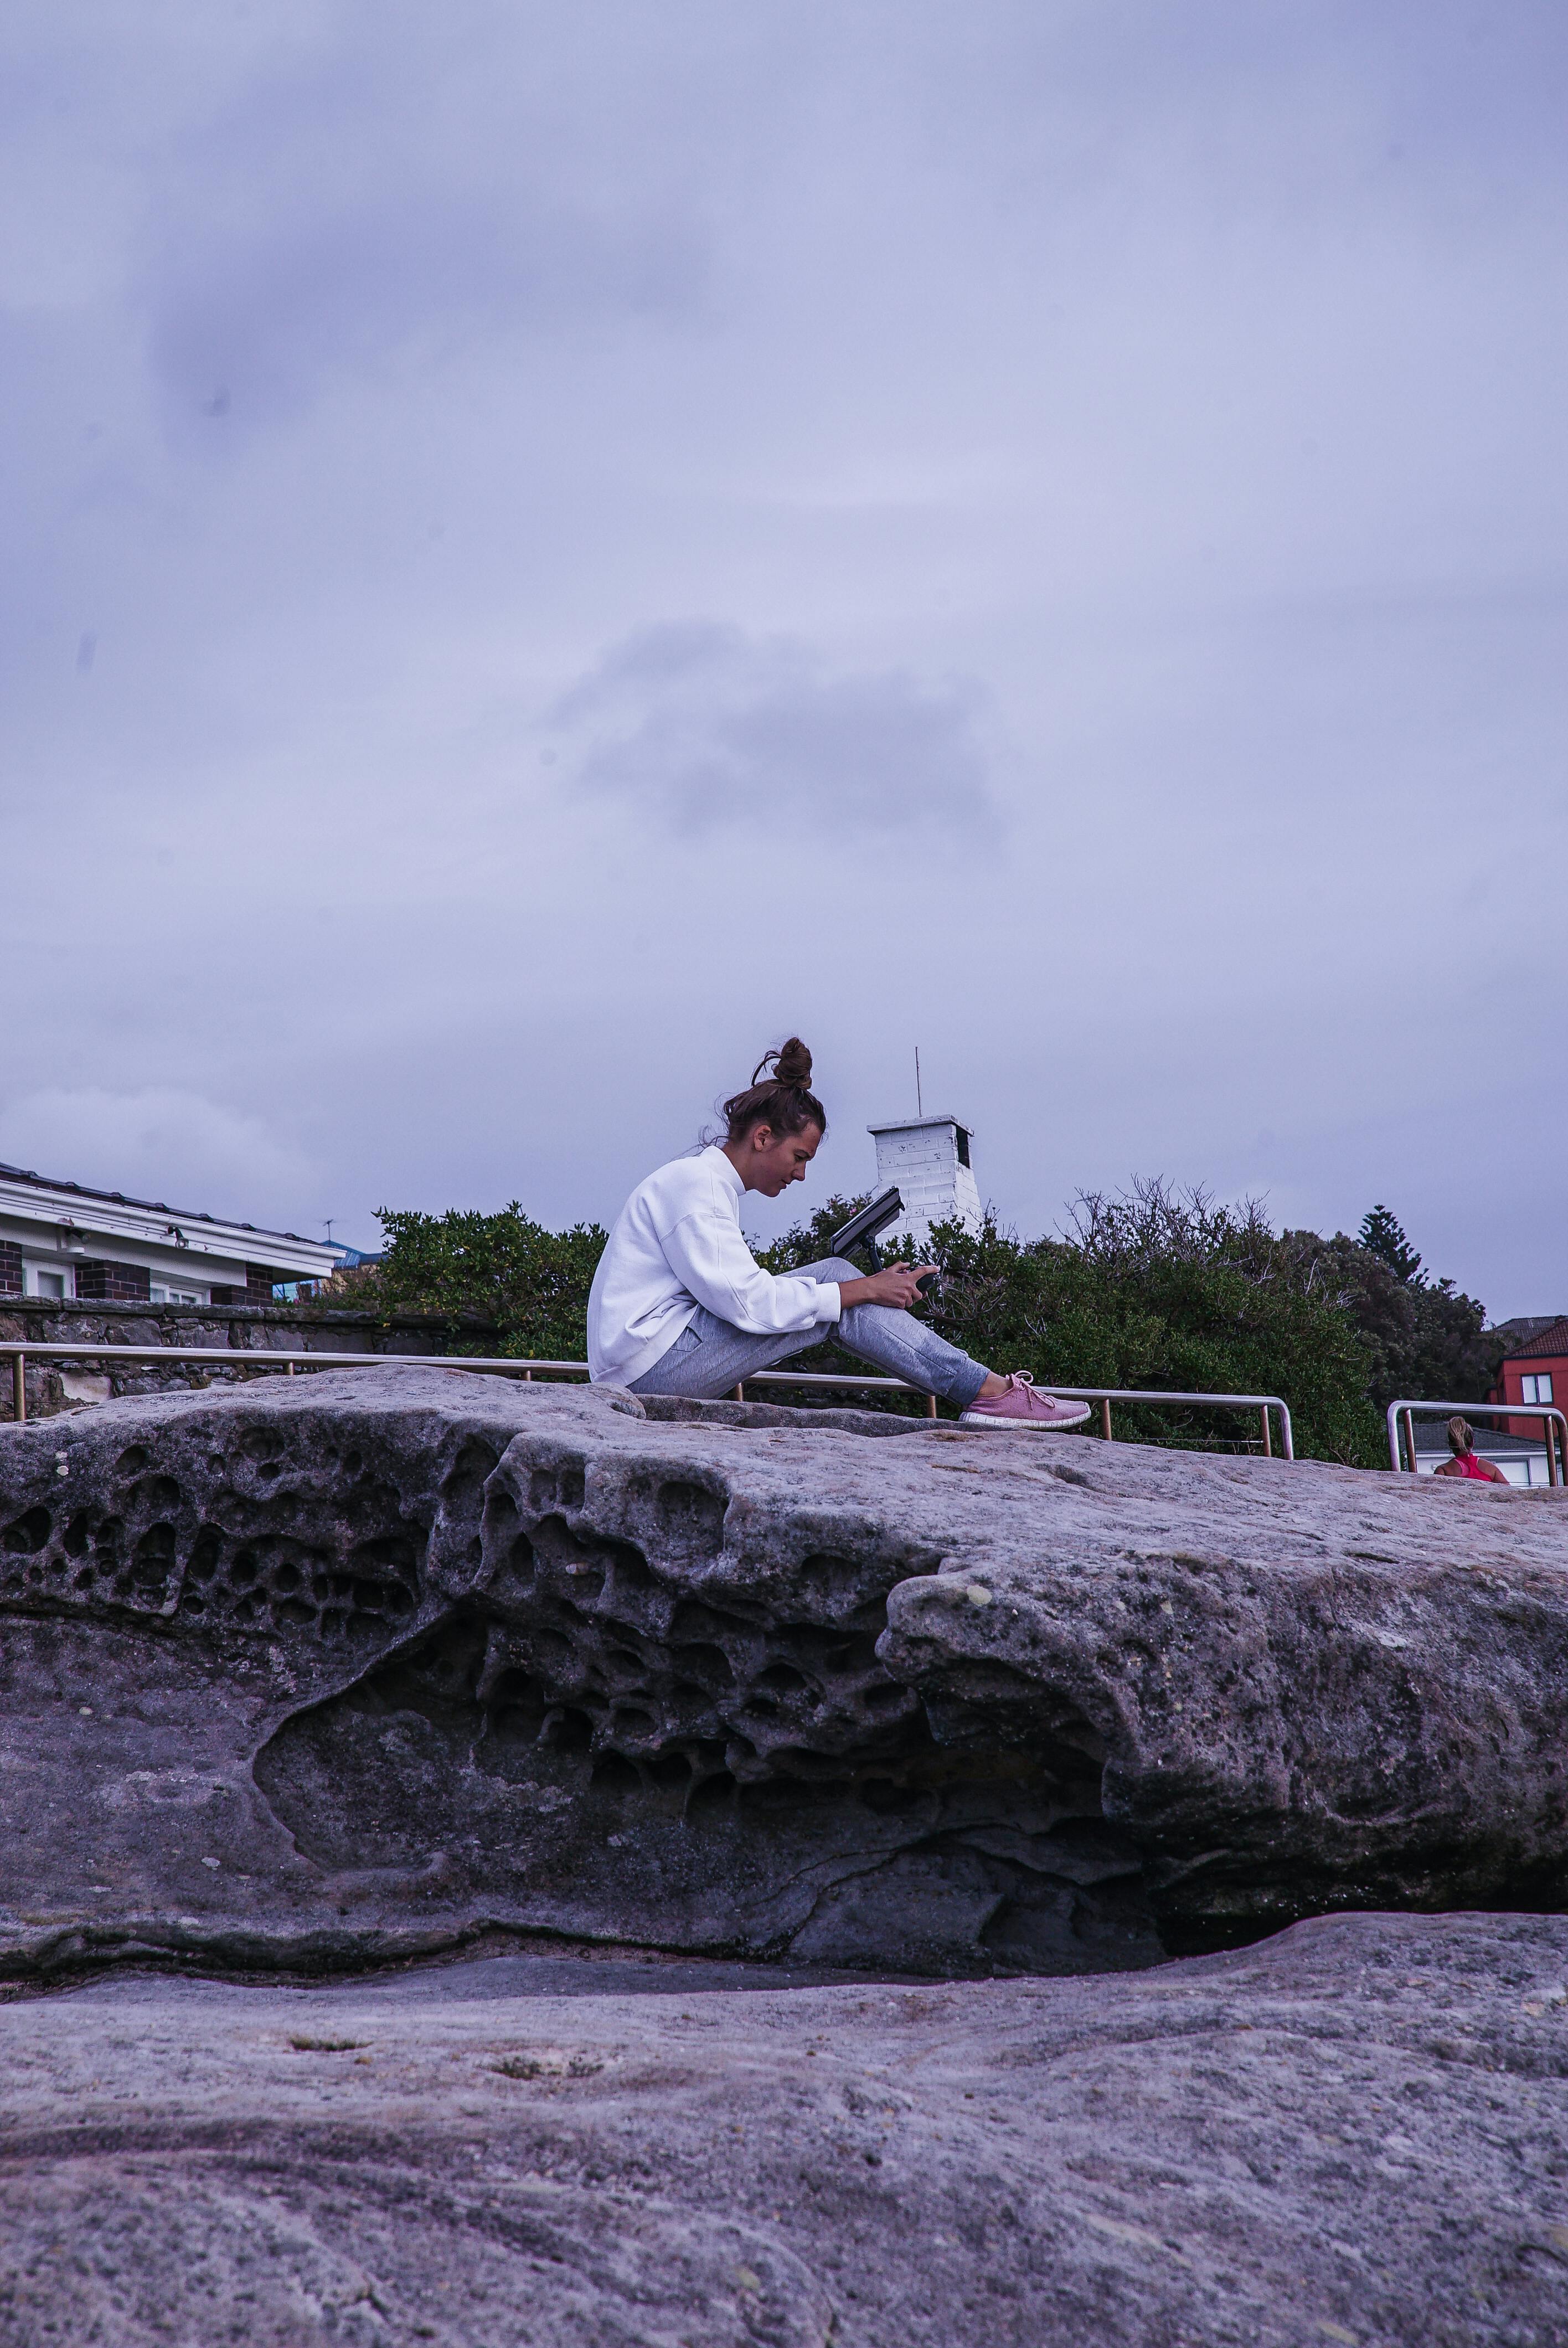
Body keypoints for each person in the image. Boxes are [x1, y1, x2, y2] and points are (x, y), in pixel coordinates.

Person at [587, 1038, 1091, 1430]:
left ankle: (986, 1391)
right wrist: (865, 1289)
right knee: (837, 1287)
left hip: (646, 1361)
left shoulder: (699, 1181)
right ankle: (988, 1394)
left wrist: (858, 1288)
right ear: (763, 1138)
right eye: (799, 1157)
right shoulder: (695, 1186)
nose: (800, 1175)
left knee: (836, 1285)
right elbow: (749, 1304)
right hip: (645, 1374)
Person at [1432, 1416, 1508, 1484]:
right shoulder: (1491, 1469)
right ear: (1473, 1442)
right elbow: (1511, 1493)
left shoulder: (1443, 1471)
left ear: (1450, 1444)